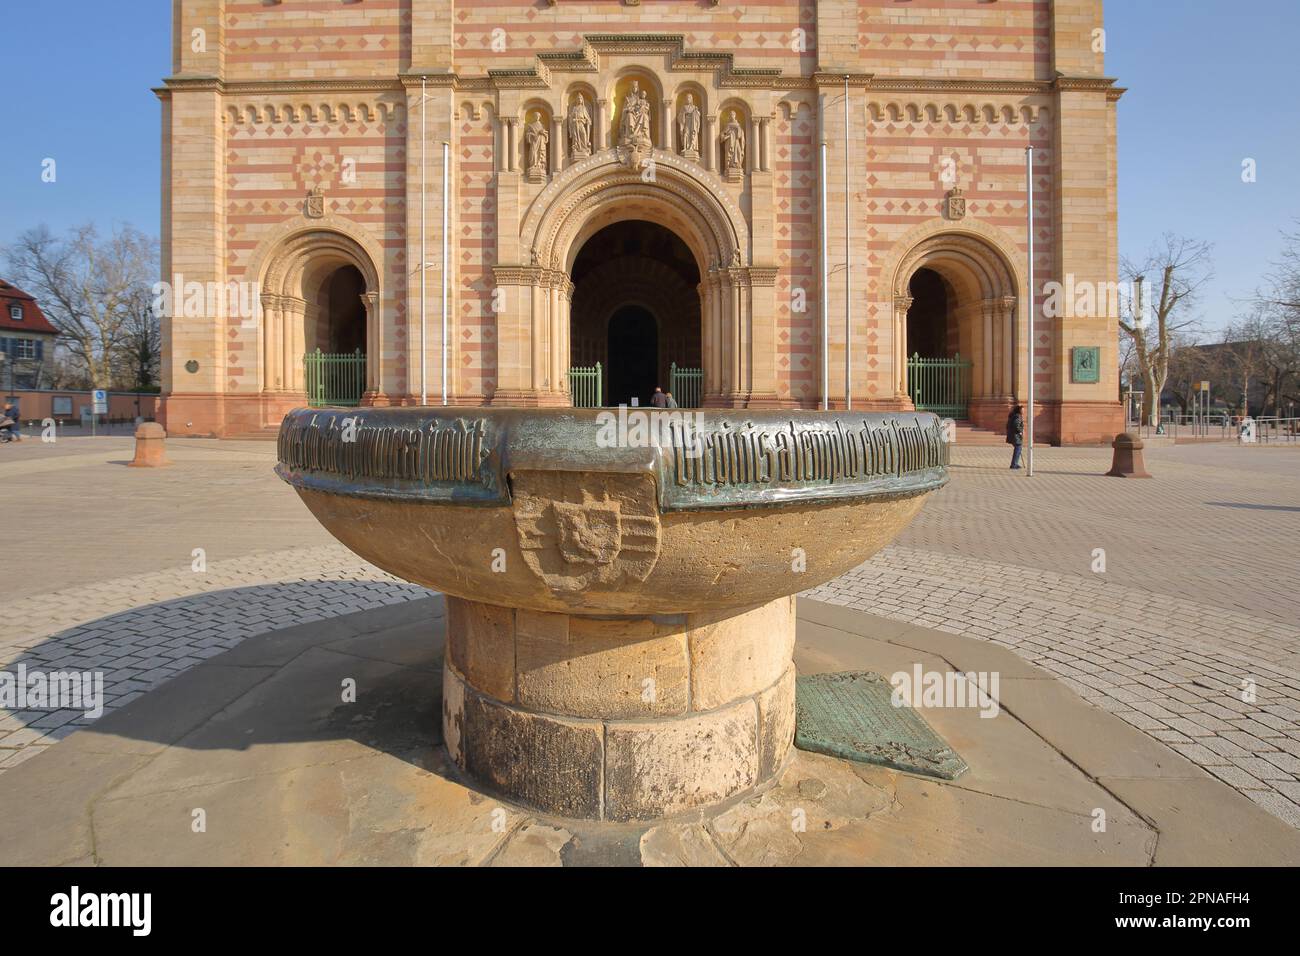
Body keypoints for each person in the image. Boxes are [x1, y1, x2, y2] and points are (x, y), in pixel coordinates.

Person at [1006, 404, 1024, 470]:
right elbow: (1016, 425)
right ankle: (1014, 464)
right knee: (1018, 449)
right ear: (1019, 410)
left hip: (1012, 435)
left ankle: (1015, 463)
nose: (1023, 411)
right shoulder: (1017, 417)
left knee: (1018, 449)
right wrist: (1020, 431)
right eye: (1022, 410)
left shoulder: (1013, 416)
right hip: (1016, 436)